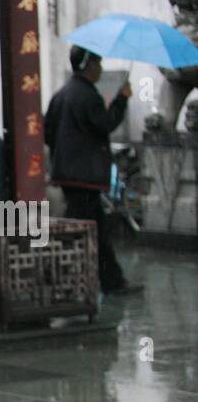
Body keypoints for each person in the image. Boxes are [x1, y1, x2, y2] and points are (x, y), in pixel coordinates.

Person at [45, 45, 140, 295]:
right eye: (98, 64)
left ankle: (109, 279)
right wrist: (121, 100)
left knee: (91, 228)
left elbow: (47, 133)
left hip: (67, 175)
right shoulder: (87, 95)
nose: (101, 69)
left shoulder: (61, 94)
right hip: (85, 177)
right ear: (89, 66)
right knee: (84, 230)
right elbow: (105, 123)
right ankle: (63, 281)